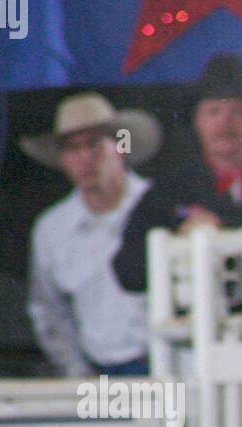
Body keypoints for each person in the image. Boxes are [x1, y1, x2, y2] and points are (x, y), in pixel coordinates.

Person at [113, 54, 242, 377]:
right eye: (214, 111)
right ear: (196, 121)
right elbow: (127, 272)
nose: (225, 123)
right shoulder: (168, 191)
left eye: (238, 111)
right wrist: (178, 241)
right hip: (193, 354)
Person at [23, 93, 161, 378]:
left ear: (120, 147)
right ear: (62, 159)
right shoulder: (52, 229)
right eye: (72, 149)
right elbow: (48, 311)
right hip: (100, 372)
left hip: (169, 367)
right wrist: (78, 374)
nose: (85, 158)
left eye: (94, 143)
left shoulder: (159, 205)